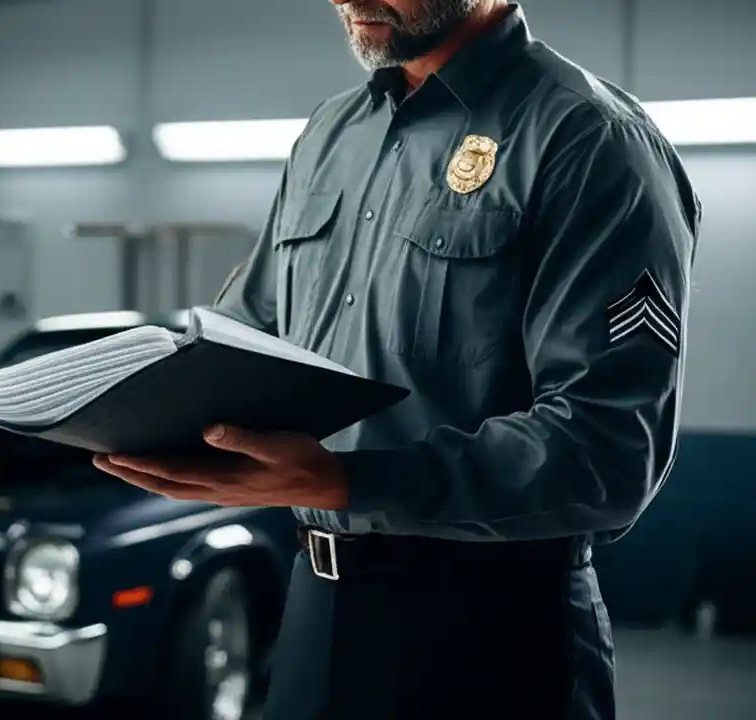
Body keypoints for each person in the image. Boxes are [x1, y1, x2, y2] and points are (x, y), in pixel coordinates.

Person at [94, 1, 701, 718]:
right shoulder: (331, 134)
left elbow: (607, 452)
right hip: (315, 611)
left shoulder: (590, 138)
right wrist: (107, 410)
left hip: (494, 631)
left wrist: (350, 480)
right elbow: (242, 339)